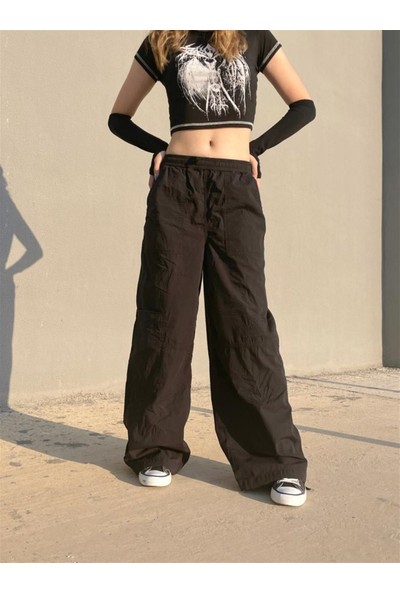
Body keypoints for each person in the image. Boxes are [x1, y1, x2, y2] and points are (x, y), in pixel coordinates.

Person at [108, 30, 316, 507]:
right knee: (165, 316)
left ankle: (277, 461)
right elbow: (118, 117)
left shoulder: (253, 34)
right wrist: (158, 149)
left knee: (247, 320)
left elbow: (303, 105)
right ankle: (154, 449)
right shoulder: (164, 38)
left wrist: (255, 149)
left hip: (235, 187)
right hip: (176, 186)